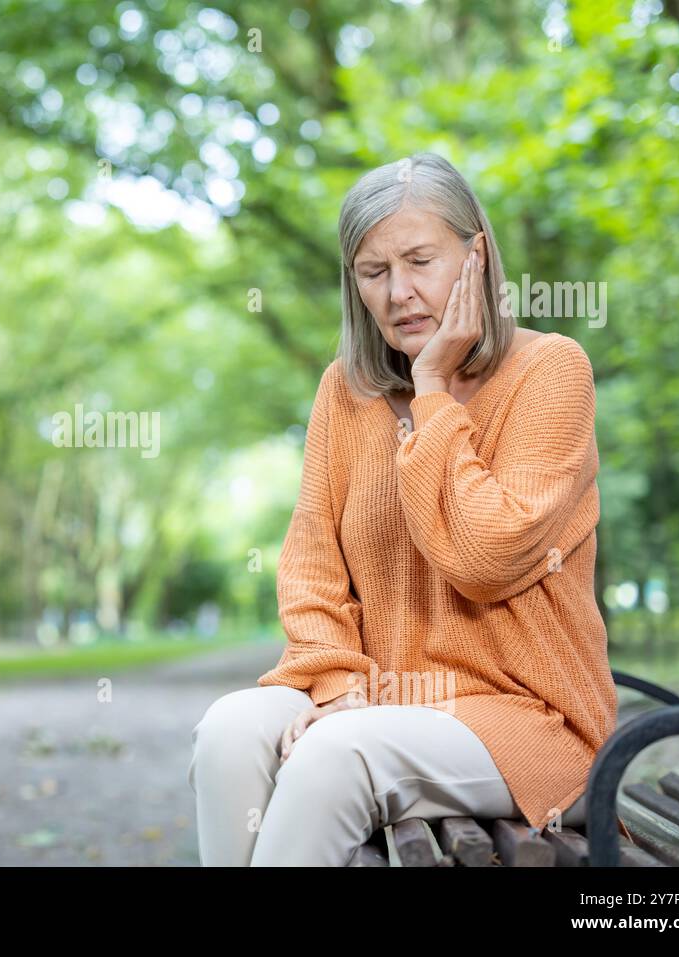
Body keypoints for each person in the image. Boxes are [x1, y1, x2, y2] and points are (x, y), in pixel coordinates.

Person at [188, 152, 617, 866]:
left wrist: (434, 390)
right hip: (379, 701)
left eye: (420, 260)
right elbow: (311, 567)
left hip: (528, 715)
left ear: (476, 255)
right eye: (373, 271)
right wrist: (339, 686)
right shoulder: (344, 391)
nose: (399, 293)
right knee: (229, 730)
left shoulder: (552, 371)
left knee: (332, 757)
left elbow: (487, 556)